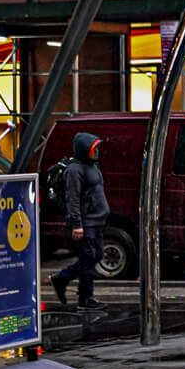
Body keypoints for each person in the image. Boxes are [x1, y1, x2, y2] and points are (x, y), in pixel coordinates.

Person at [48, 131, 106, 309]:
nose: (98, 152)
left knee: (97, 255)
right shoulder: (74, 170)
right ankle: (85, 297)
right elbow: (72, 199)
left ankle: (62, 278)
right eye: (94, 149)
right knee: (88, 256)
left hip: (96, 220)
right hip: (85, 221)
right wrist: (76, 225)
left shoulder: (92, 166)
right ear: (85, 150)